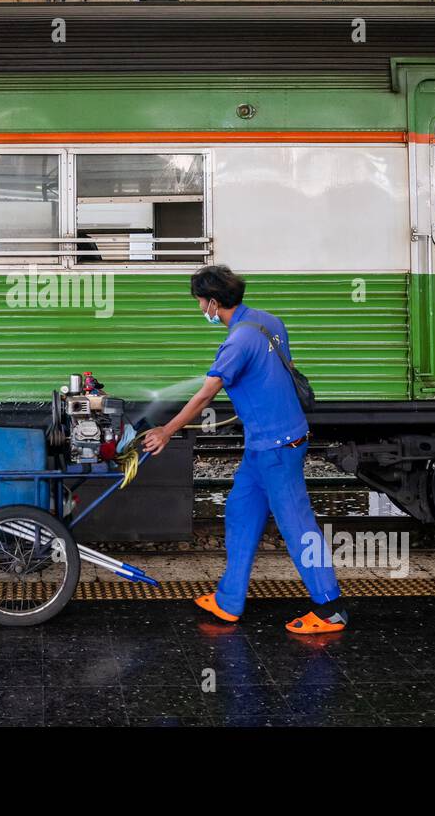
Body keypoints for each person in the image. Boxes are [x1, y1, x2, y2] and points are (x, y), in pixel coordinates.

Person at [142, 265, 348, 633]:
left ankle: (330, 608)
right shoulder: (269, 321)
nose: (199, 308)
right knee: (240, 512)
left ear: (214, 302)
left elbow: (206, 393)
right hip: (263, 445)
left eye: (200, 302)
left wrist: (166, 431)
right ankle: (229, 600)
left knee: (299, 527)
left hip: (278, 447)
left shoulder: (237, 341)